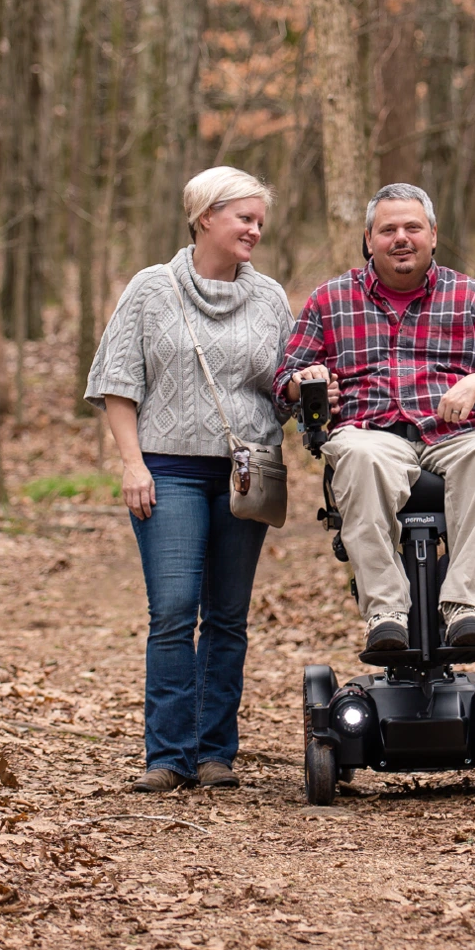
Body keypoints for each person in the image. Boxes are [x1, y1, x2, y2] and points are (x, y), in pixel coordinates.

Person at [86, 166, 293, 793]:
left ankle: (214, 753)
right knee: (174, 611)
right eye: (243, 218)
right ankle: (167, 756)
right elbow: (117, 382)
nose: (255, 229)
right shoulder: (151, 290)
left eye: (260, 220)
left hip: (245, 474)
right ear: (205, 217)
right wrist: (131, 463)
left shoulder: (273, 300)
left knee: (227, 616)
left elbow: (284, 391)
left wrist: (310, 389)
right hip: (167, 470)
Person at [276, 183, 475, 653]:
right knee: (357, 453)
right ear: (369, 239)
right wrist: (305, 382)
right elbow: (283, 383)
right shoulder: (330, 300)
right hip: (370, 431)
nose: (401, 237)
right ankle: (386, 614)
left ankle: (466, 610)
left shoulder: (471, 296)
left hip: (454, 433)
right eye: (388, 229)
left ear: (432, 235)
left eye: (412, 227)